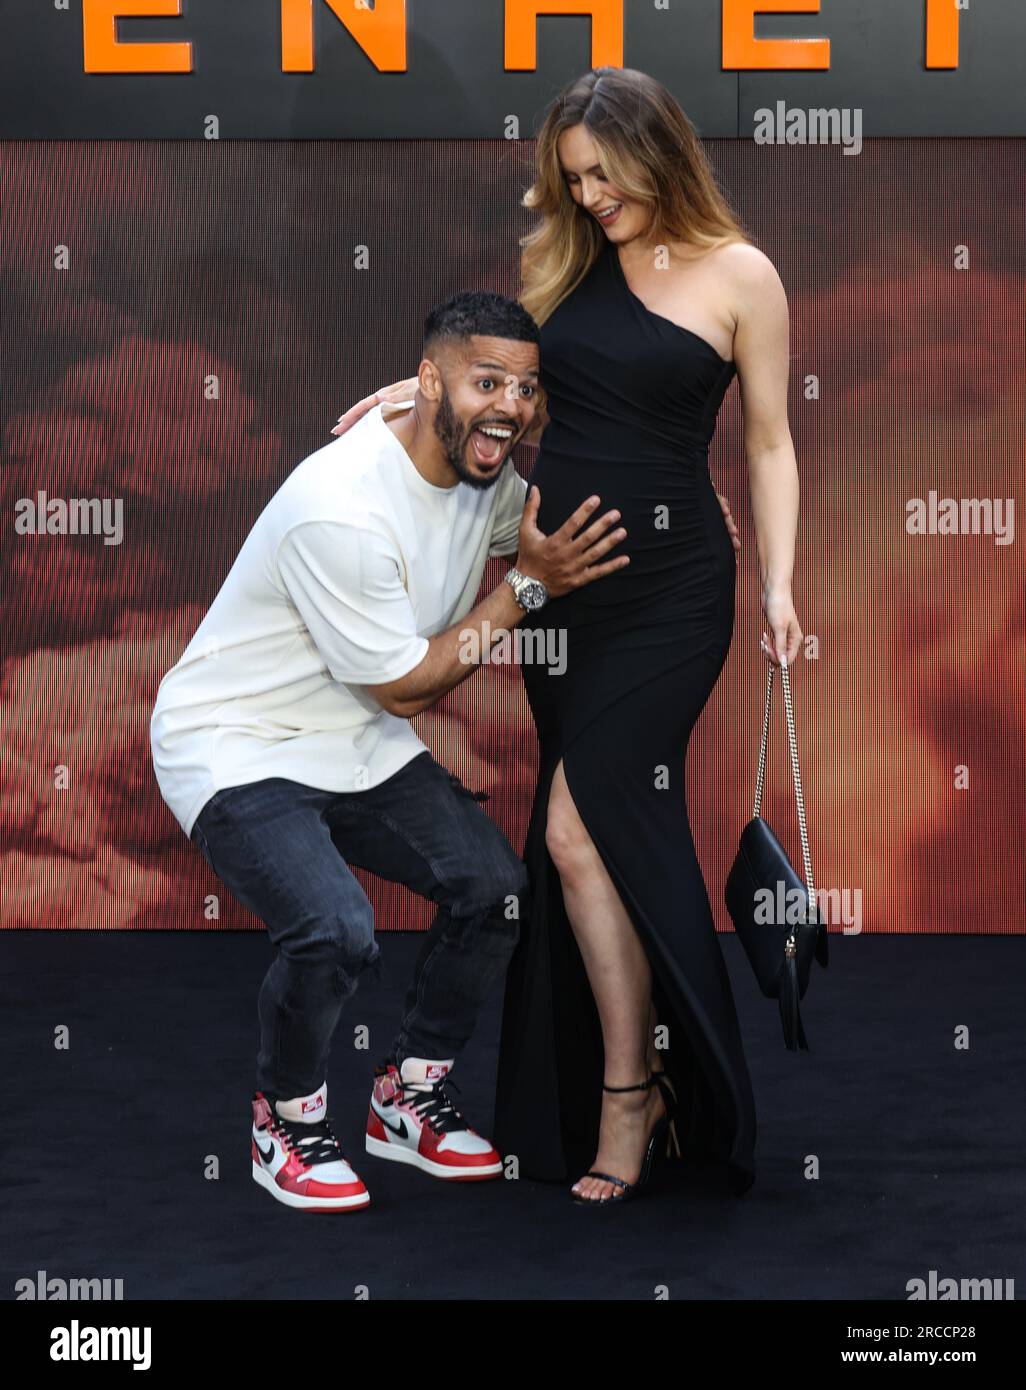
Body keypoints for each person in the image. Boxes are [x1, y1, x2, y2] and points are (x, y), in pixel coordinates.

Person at [332, 67, 802, 1205]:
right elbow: (506, 377)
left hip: (677, 590)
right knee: (592, 839)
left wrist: (781, 587)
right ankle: (645, 1084)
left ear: (662, 153)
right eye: (574, 177)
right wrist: (415, 392)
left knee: (582, 836)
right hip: (561, 587)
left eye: (606, 173)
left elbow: (772, 442)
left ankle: (628, 1101)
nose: (589, 196)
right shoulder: (567, 266)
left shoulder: (742, 275)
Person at [149, 291, 632, 1212]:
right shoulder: (340, 507)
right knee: (334, 932)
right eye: (486, 382)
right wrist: (525, 588)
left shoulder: (483, 475)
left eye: (526, 389)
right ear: (428, 380)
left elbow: (571, 504)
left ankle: (404, 1097)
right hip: (239, 742)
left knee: (493, 891)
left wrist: (683, 520)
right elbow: (408, 688)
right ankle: (285, 1119)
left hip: (355, 741)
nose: (511, 407)